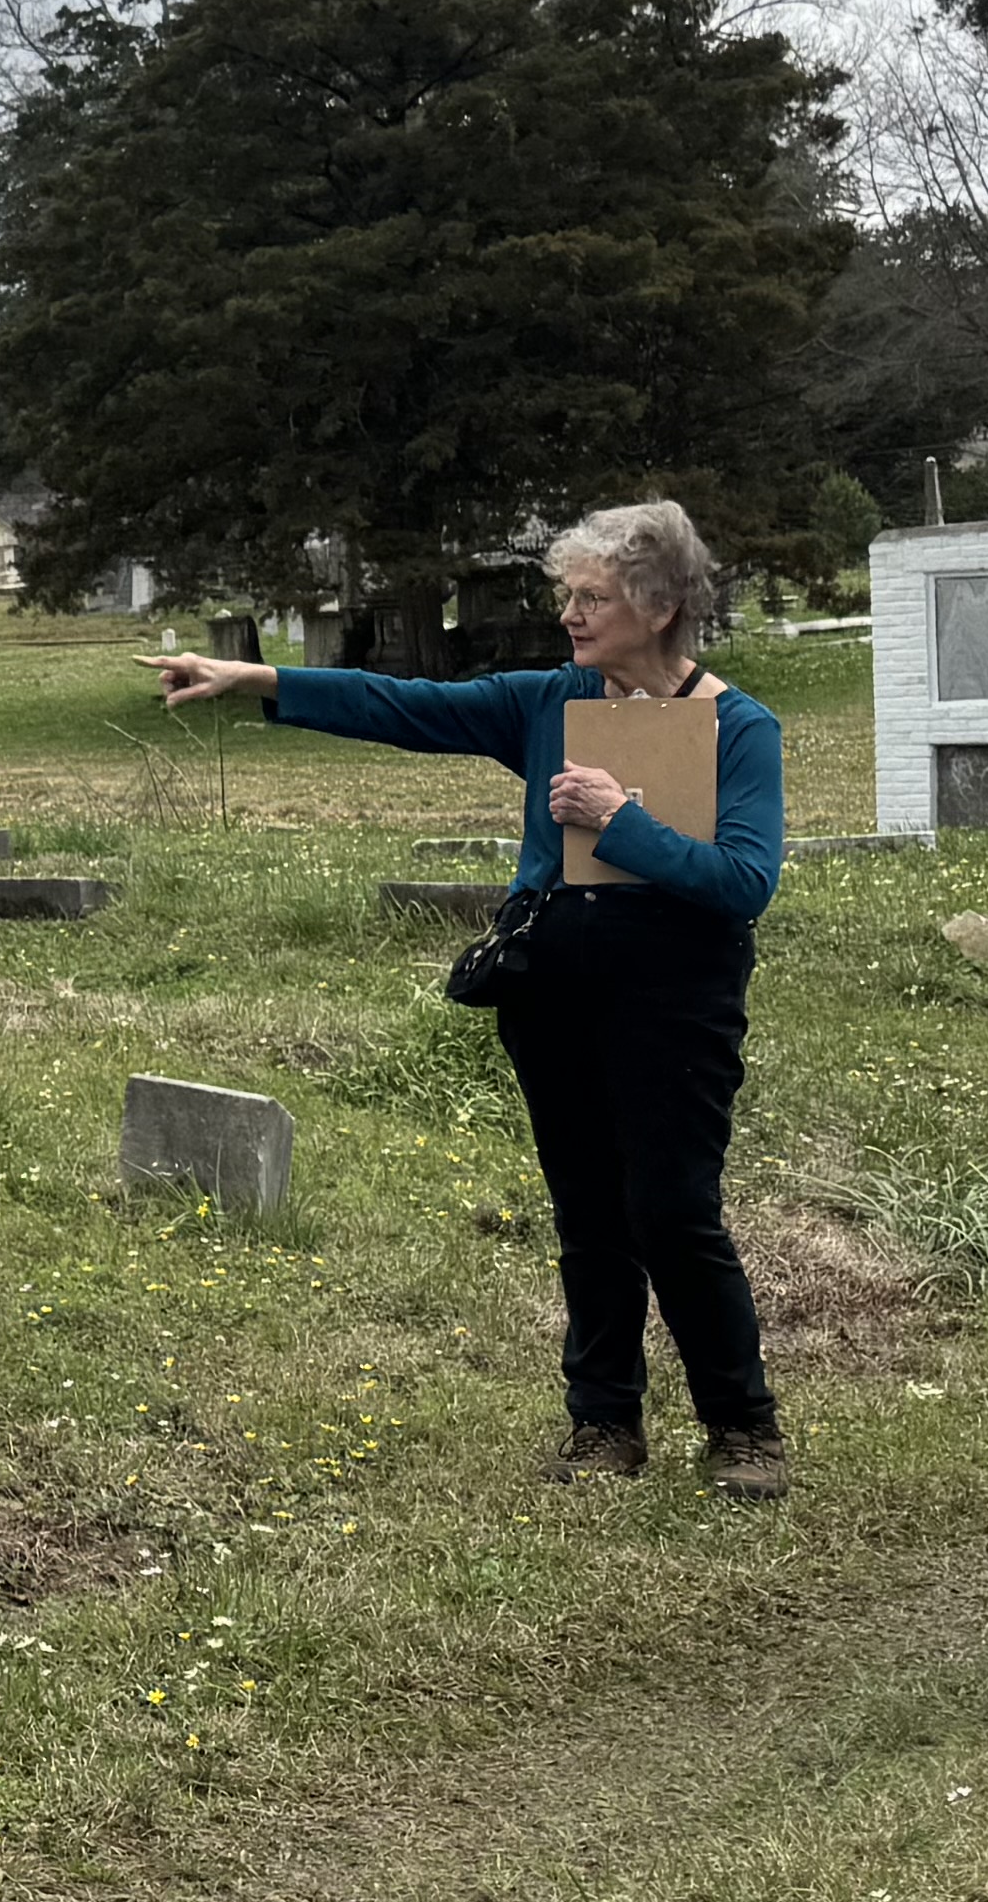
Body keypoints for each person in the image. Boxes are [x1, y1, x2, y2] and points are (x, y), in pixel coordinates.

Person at [148, 500, 791, 1491]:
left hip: (677, 994)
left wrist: (622, 825)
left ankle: (743, 1430)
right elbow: (407, 704)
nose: (571, 616)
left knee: (672, 1211)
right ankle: (604, 1426)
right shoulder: (549, 701)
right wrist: (255, 678)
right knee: (587, 1213)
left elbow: (744, 882)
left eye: (594, 598)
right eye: (567, 596)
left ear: (661, 606)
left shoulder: (737, 728)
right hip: (555, 985)